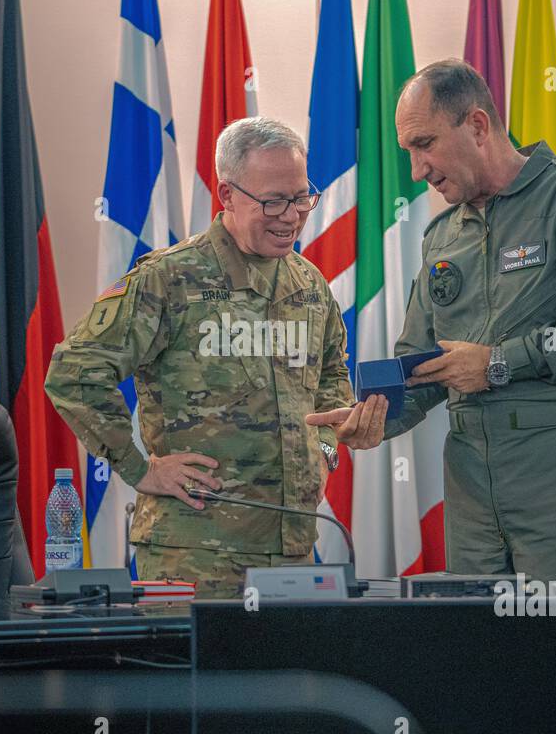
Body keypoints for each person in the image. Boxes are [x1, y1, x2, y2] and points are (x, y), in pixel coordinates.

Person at [308, 58, 556, 579]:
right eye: (409, 152)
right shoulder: (442, 236)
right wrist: (375, 417)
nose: (417, 170)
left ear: (478, 125)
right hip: (470, 481)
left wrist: (499, 364)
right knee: (480, 648)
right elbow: (420, 368)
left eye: (425, 144)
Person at [46, 117, 353, 597]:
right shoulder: (170, 279)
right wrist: (139, 468)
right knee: (197, 674)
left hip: (293, 548)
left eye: (300, 198)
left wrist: (327, 446)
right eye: (273, 201)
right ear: (227, 195)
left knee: (290, 674)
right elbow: (75, 372)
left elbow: (332, 371)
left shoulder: (308, 283)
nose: (291, 215)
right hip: (195, 554)